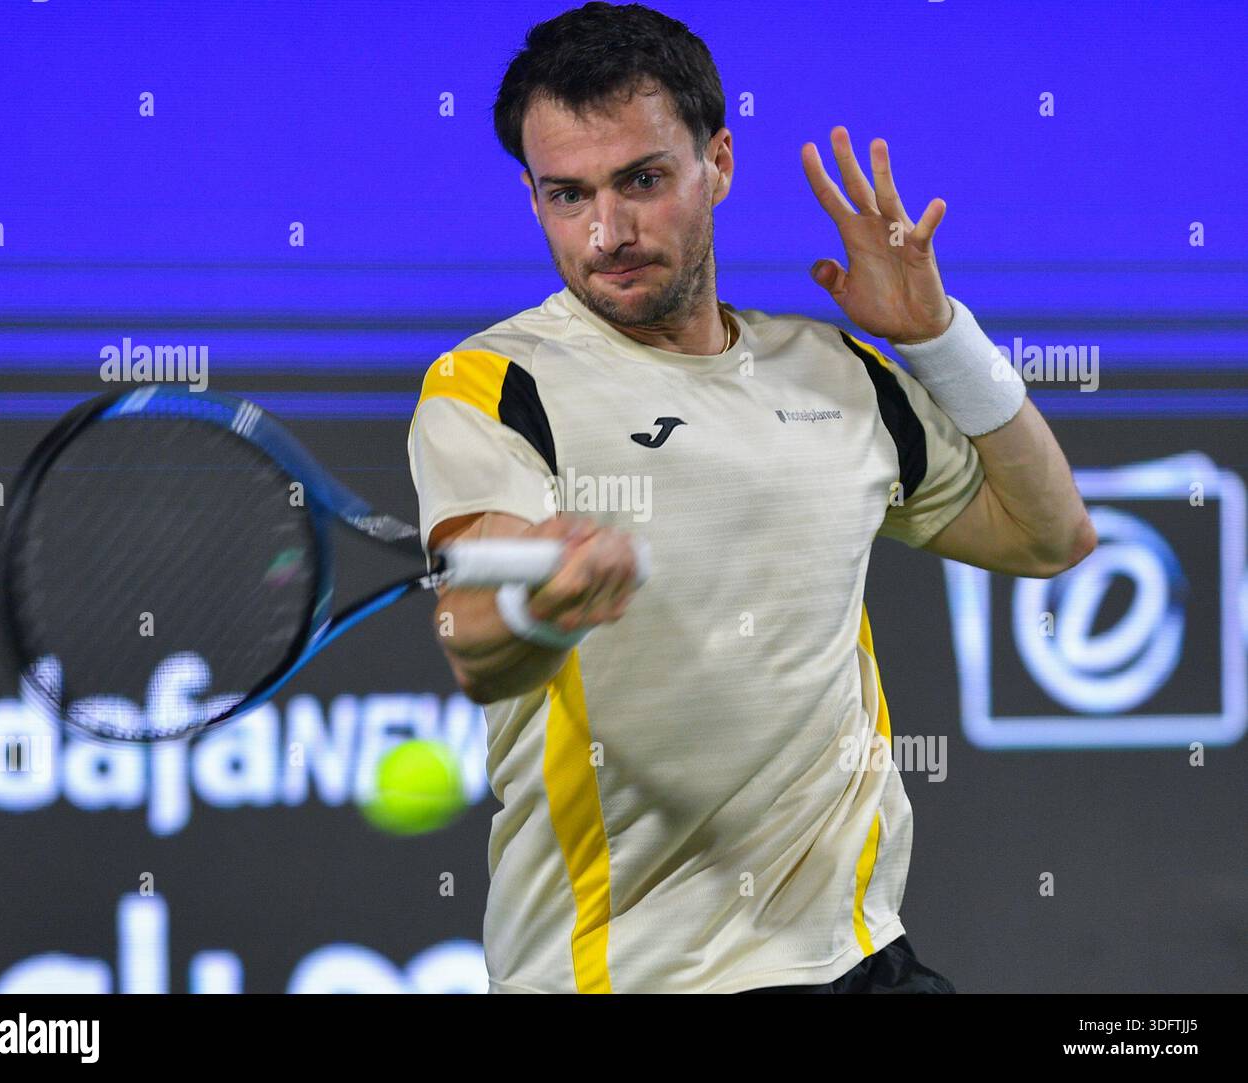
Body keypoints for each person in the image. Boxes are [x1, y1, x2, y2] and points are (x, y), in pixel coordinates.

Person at [406, 2, 1095, 994]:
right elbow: (474, 632)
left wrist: (938, 340)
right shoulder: (491, 386)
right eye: (566, 195)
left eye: (642, 180)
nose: (607, 232)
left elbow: (1051, 535)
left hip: (860, 962)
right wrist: (538, 600)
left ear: (717, 162)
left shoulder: (836, 374)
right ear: (531, 194)